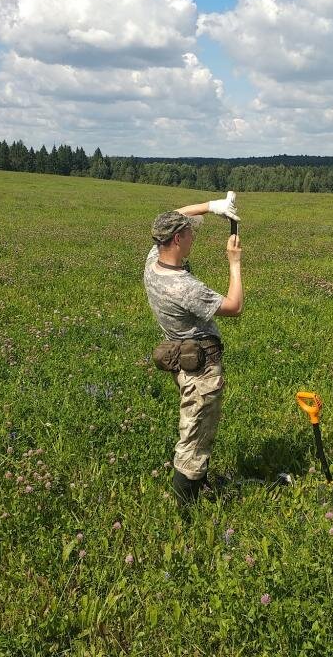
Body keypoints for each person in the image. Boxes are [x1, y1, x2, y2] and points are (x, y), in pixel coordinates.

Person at [143, 192, 243, 506]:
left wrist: (214, 207)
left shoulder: (153, 261)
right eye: (189, 233)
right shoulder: (184, 288)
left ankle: (197, 486)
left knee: (197, 428)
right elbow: (234, 306)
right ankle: (186, 511)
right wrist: (234, 263)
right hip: (201, 371)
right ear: (176, 240)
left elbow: (175, 213)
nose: (192, 236)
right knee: (194, 436)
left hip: (183, 359)